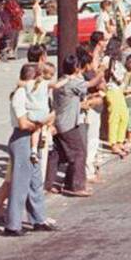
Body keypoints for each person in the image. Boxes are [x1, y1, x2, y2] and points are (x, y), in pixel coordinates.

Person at [5, 63, 58, 237]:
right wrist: (42, 122)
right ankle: (12, 224)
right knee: (20, 184)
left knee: (35, 181)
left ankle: (38, 219)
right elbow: (22, 123)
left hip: (33, 138)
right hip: (22, 138)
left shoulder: (31, 93)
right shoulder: (20, 95)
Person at [46, 54, 91, 197]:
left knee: (58, 154)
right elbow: (89, 85)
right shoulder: (73, 83)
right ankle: (75, 186)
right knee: (79, 153)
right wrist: (101, 72)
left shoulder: (61, 81)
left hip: (59, 121)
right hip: (68, 124)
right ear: (76, 68)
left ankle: (48, 182)